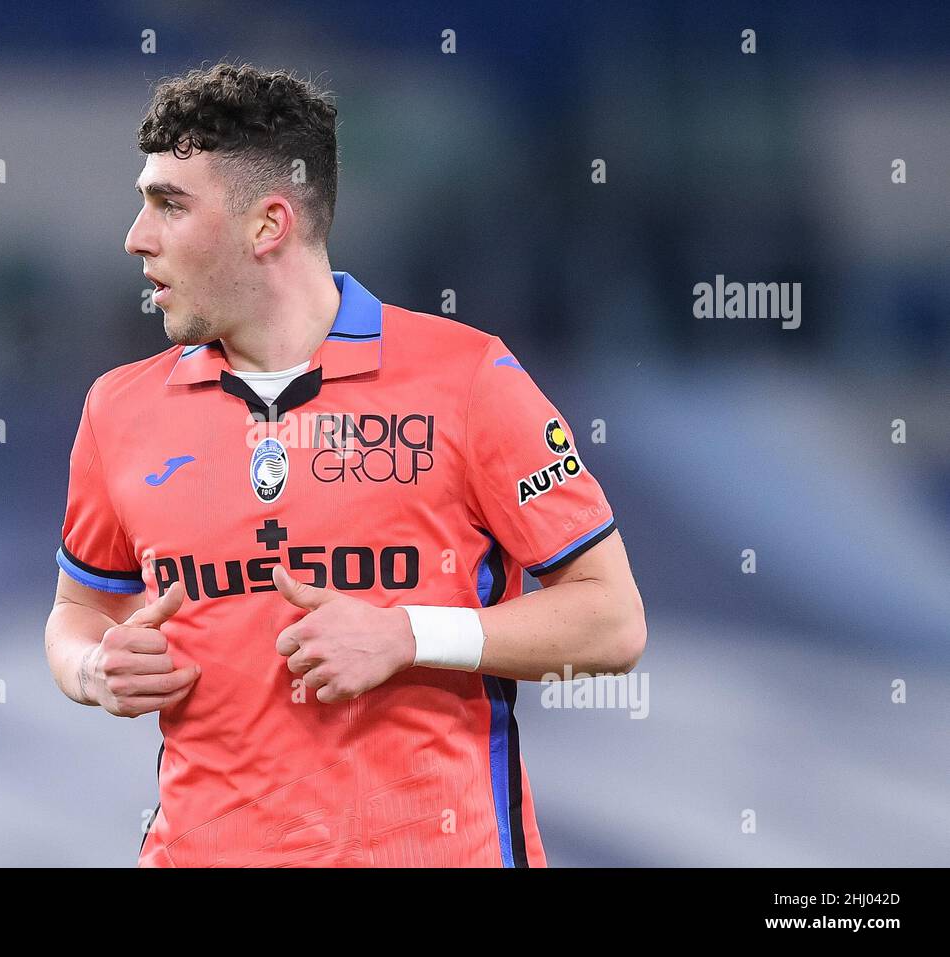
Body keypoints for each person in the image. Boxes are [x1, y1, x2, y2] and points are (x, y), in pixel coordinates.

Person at [44, 62, 646, 867]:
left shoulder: (467, 380)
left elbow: (611, 622)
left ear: (268, 225)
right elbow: (76, 612)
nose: (135, 236)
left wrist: (407, 633)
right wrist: (94, 668)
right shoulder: (118, 409)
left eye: (169, 205)